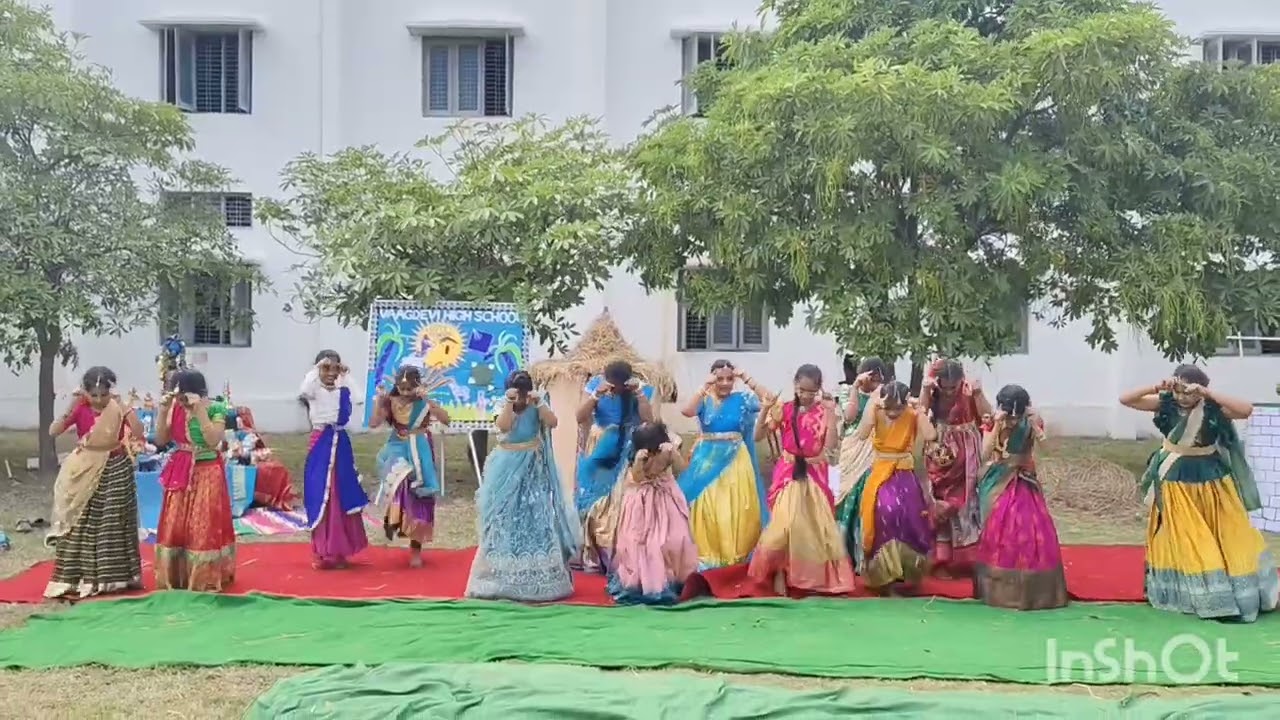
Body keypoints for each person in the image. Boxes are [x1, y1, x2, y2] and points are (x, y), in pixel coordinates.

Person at [1120, 365, 1279, 622]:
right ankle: (1204, 598)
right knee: (1190, 537)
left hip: (1212, 479)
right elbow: (1126, 399)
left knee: (1227, 533)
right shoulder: (1166, 404)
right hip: (1175, 480)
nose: (1184, 397)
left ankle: (1237, 592)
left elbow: (1246, 410)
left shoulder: (1212, 407)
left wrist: (1208, 393)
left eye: (1190, 392)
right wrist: (1157, 386)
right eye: (1180, 390)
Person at [468, 371, 581, 600]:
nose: (520, 398)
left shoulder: (537, 402)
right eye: (516, 392)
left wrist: (540, 404)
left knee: (534, 516)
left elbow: (553, 423)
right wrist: (510, 403)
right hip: (506, 465)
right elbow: (504, 426)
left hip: (533, 467)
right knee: (502, 515)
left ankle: (537, 575)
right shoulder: (502, 403)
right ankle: (499, 576)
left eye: (523, 393)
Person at [747, 364, 856, 595]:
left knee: (812, 529)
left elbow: (830, 445)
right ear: (795, 385)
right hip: (788, 473)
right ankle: (779, 573)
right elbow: (757, 437)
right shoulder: (784, 409)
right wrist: (765, 410)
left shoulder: (824, 411)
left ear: (818, 389)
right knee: (784, 525)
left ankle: (811, 578)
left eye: (810, 391)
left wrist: (829, 412)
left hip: (814, 474)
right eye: (801, 389)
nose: (805, 395)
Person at [44, 367, 146, 599]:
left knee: (111, 523)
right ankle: (81, 577)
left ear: (111, 391)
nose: (99, 400)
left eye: (104, 394)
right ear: (86, 392)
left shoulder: (117, 407)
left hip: (116, 468)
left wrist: (125, 409)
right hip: (85, 468)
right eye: (94, 395)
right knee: (81, 523)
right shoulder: (81, 406)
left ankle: (114, 579)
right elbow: (54, 431)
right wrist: (71, 406)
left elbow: (139, 433)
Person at [972, 385, 1067, 610]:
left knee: (1028, 529)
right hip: (996, 480)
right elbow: (984, 454)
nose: (1013, 421)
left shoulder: (1031, 422)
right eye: (1010, 416)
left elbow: (1050, 451)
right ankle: (997, 591)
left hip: (1023, 480)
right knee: (998, 530)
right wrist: (996, 424)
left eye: (1017, 416)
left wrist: (1036, 428)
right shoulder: (992, 421)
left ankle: (1032, 592)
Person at [676, 359, 770, 569]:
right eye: (720, 379)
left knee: (736, 507)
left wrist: (746, 377)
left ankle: (736, 555)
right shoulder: (704, 399)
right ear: (712, 379)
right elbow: (687, 411)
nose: (726, 383)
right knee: (706, 507)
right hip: (706, 460)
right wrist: (704, 386)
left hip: (736, 460)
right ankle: (707, 554)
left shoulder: (743, 398)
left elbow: (768, 399)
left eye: (730, 379)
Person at [844, 382, 937, 594]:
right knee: (885, 511)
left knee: (910, 516)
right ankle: (884, 574)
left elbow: (931, 436)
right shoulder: (877, 411)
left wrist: (920, 412)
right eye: (889, 408)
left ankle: (907, 573)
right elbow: (861, 433)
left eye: (898, 408)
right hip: (881, 472)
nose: (893, 413)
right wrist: (872, 406)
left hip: (904, 473)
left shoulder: (912, 414)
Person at [154, 369, 236, 591]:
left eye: (183, 394)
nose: (181, 400)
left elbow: (212, 441)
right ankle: (176, 576)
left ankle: (203, 578)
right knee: (175, 523)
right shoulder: (175, 409)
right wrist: (162, 411)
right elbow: (161, 439)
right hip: (181, 468)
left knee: (203, 525)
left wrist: (199, 411)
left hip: (207, 470)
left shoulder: (216, 408)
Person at [573, 360, 655, 572]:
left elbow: (649, 420)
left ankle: (620, 554)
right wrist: (596, 396)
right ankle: (592, 553)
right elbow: (580, 417)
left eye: (619, 384)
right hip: (600, 445)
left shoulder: (639, 389)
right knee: (595, 500)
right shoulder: (596, 386)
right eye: (612, 383)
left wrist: (639, 395)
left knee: (621, 499)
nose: (615, 388)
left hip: (627, 447)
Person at [608, 422, 699, 604]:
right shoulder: (636, 457)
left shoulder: (668, 450)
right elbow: (638, 478)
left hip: (667, 498)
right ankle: (646, 583)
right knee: (644, 543)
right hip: (642, 503)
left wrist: (674, 454)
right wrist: (640, 462)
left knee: (675, 538)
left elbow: (683, 470)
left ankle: (674, 579)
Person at [919, 359, 991, 577]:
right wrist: (925, 389)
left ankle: (965, 560)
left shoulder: (969, 391)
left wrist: (978, 394)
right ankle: (940, 561)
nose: (949, 391)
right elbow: (920, 412)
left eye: (954, 386)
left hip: (967, 453)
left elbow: (988, 416)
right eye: (945, 386)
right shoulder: (933, 391)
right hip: (940, 449)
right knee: (939, 501)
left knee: (966, 502)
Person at [371, 365, 448, 568]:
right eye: (402, 388)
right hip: (397, 447)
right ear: (396, 386)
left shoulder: (423, 402)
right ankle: (393, 520)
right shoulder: (391, 401)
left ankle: (416, 549)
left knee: (420, 497)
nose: (405, 393)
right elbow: (373, 423)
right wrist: (379, 402)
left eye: (409, 389)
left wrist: (429, 403)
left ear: (417, 386)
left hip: (420, 449)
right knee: (400, 480)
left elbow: (446, 420)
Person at [300, 350, 370, 570]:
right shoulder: (314, 391)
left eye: (334, 368)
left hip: (340, 446)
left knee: (341, 494)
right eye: (326, 368)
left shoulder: (342, 390)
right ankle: (322, 551)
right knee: (321, 493)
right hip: (320, 444)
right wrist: (316, 369)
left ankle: (340, 551)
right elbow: (304, 389)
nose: (330, 373)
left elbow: (359, 399)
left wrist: (346, 375)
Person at [833, 357, 887, 525]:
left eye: (879, 378)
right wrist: (856, 387)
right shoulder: (846, 390)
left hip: (874, 451)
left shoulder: (884, 395)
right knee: (845, 493)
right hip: (852, 450)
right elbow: (849, 417)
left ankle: (863, 541)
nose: (876, 382)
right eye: (872, 378)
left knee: (868, 493)